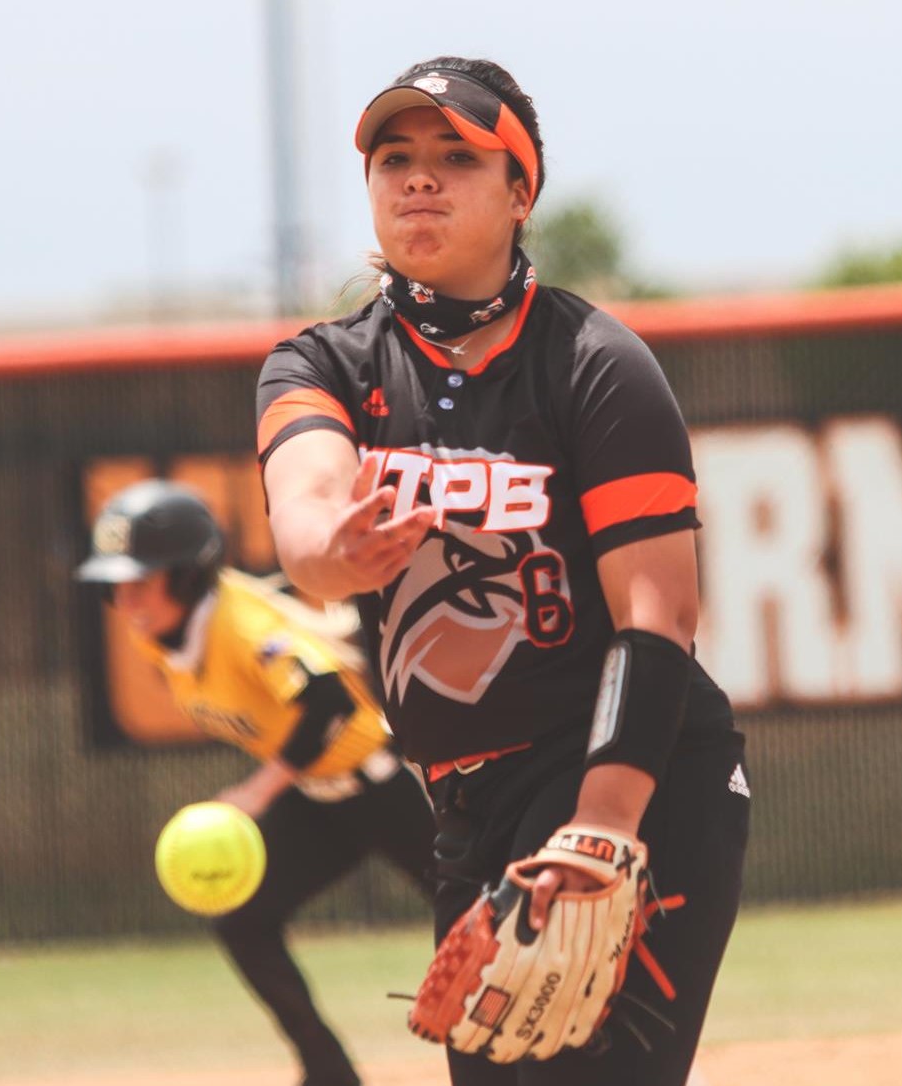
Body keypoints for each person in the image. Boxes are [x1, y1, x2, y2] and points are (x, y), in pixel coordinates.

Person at [253, 56, 750, 1085]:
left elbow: (656, 612)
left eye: (456, 157)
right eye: (394, 158)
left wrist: (604, 826)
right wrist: (331, 549)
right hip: (468, 812)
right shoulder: (324, 365)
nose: (418, 179)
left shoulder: (590, 362)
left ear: (519, 192)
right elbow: (304, 513)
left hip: (633, 776)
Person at [77, 479, 435, 1086]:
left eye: (141, 578)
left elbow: (328, 703)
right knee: (243, 919)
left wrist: (256, 792)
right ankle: (328, 1073)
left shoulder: (241, 623)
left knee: (476, 921)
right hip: (320, 799)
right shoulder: (162, 638)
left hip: (384, 788)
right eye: (117, 583)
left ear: (187, 578)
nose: (125, 597)